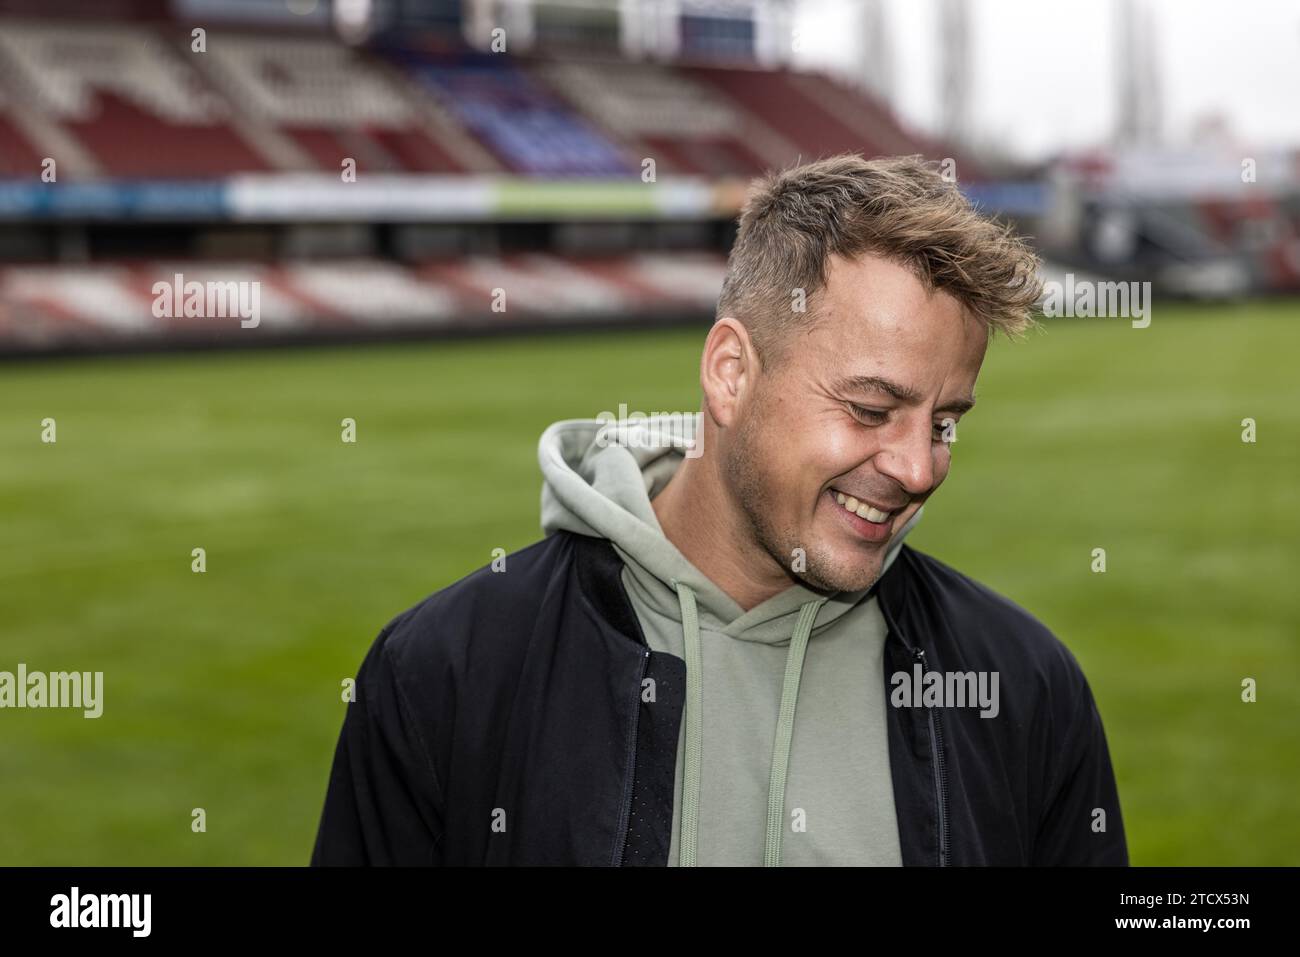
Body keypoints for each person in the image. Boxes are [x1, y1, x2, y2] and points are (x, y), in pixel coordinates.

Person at [310, 154, 1128, 866]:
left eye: (945, 422)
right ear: (731, 373)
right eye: (872, 410)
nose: (919, 468)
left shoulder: (1024, 688)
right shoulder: (445, 672)